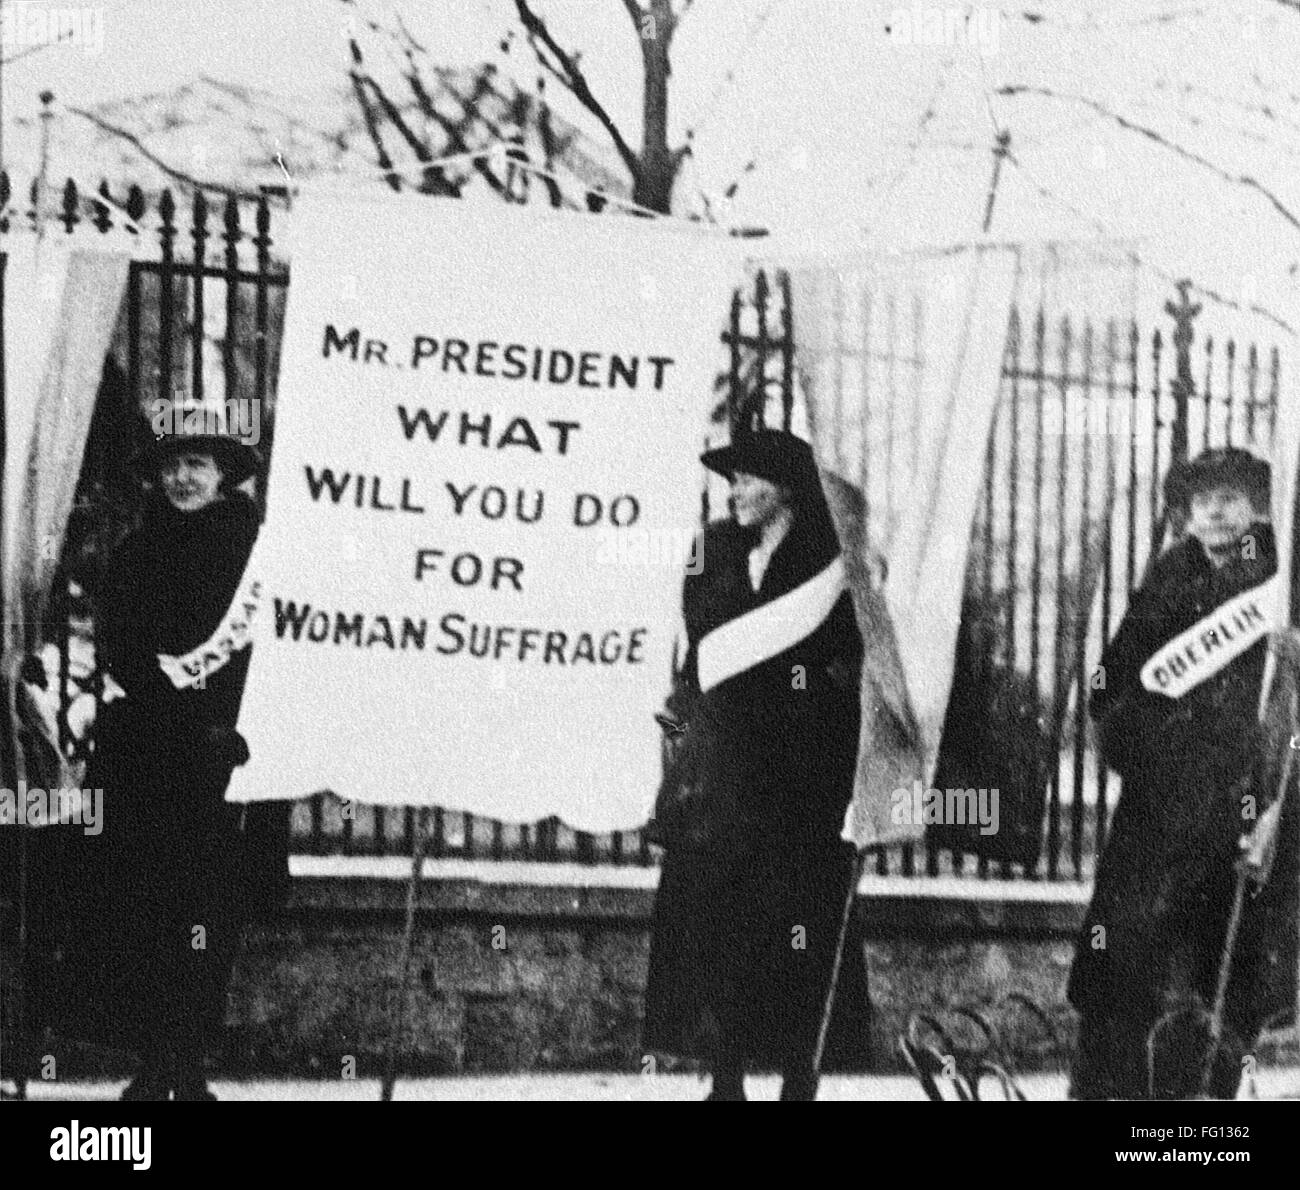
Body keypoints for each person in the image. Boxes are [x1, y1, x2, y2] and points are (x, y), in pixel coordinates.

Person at [641, 427, 872, 1101]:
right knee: (720, 923)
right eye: (732, 480)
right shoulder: (710, 549)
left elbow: (853, 652)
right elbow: (700, 645)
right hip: (728, 768)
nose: (736, 492)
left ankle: (800, 1074)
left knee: (799, 923)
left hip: (805, 769)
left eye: (750, 480)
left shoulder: (831, 556)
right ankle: (726, 1073)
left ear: (788, 489)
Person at [1068, 446, 1300, 1099]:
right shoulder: (1166, 580)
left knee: (1217, 983)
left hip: (1240, 812)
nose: (1216, 513)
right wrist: (1141, 741)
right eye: (1202, 501)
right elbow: (1110, 685)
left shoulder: (1282, 584)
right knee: (1124, 971)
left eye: (1231, 498)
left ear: (1260, 507)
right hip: (1157, 810)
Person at [45, 410, 264, 1101]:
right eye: (172, 465)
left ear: (224, 473)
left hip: (222, 757)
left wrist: (224, 725)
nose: (182, 478)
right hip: (147, 753)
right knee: (145, 910)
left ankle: (184, 1064)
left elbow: (262, 653)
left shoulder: (254, 555)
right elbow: (120, 644)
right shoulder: (138, 550)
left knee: (207, 914)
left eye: (197, 464)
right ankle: (162, 1064)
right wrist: (160, 694)